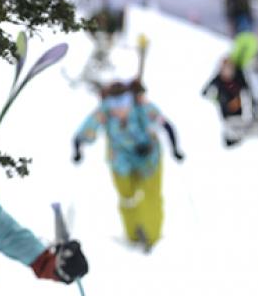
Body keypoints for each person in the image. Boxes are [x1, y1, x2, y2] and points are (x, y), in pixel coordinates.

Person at [73, 80, 183, 251]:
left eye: (123, 104)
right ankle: (132, 233)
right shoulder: (104, 113)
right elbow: (85, 131)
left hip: (148, 159)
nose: (119, 110)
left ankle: (152, 237)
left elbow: (166, 125)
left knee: (151, 196)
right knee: (127, 196)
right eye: (114, 106)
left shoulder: (142, 107)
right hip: (120, 160)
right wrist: (78, 149)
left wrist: (175, 148)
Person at [201, 57, 247, 147]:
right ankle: (231, 139)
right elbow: (204, 93)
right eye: (225, 68)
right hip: (226, 112)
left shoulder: (238, 76)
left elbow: (245, 89)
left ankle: (236, 138)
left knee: (237, 126)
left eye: (230, 68)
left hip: (238, 110)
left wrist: (238, 100)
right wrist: (216, 99)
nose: (227, 71)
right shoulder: (218, 79)